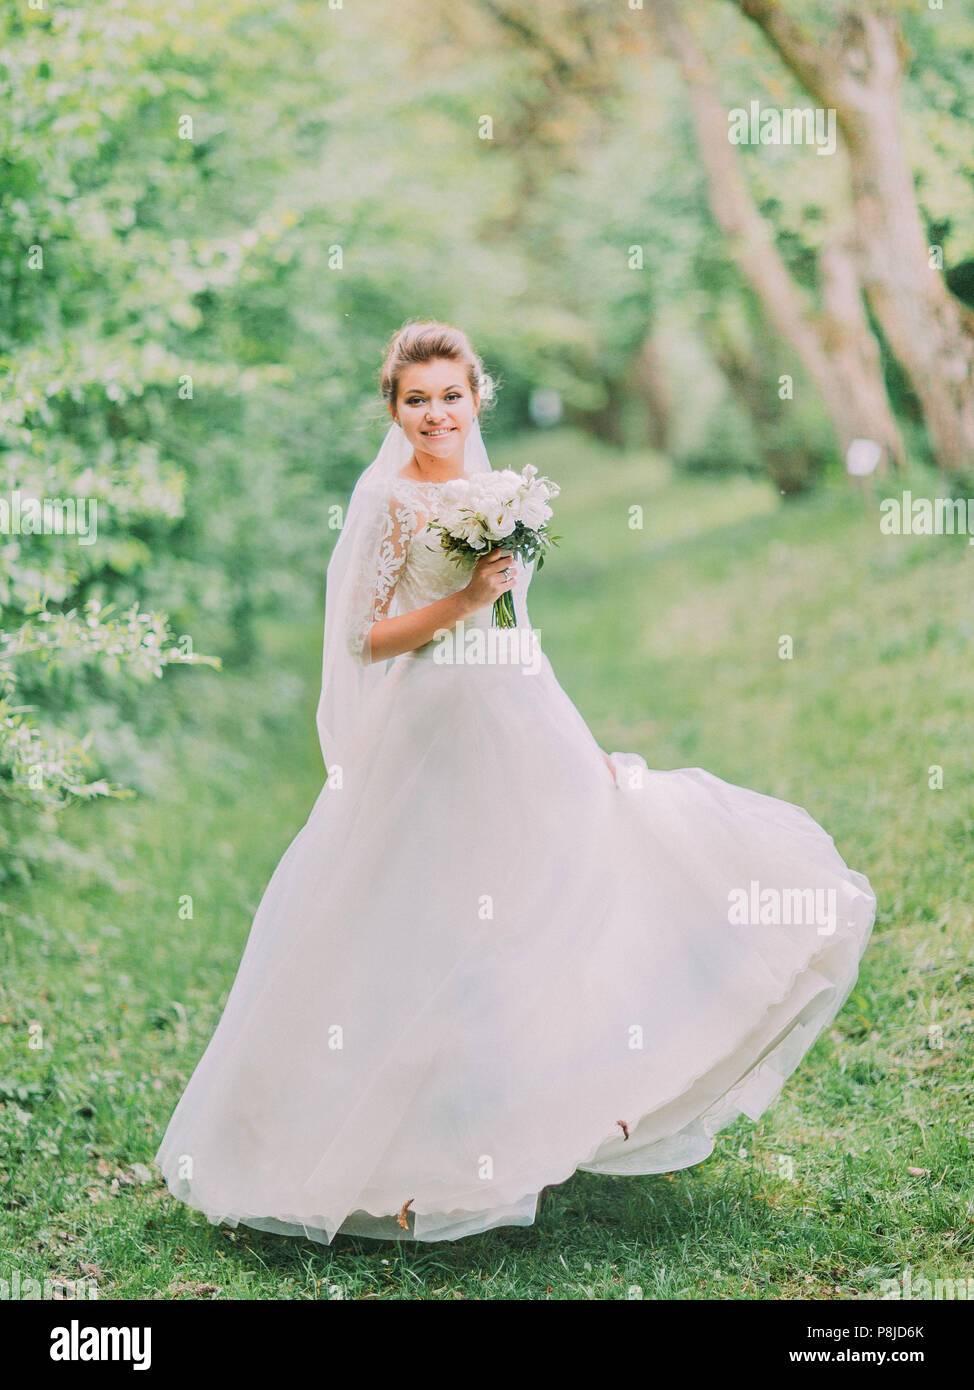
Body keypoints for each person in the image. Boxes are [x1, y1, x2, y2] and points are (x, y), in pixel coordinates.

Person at [154, 319, 876, 1244]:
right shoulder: (386, 498)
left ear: (475, 398)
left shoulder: (495, 491)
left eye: (450, 395)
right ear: (394, 408)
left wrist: (572, 733)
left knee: (567, 883)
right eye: (416, 399)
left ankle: (535, 1116)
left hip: (515, 708)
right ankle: (389, 1154)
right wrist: (460, 601)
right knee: (430, 920)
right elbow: (362, 638)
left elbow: (515, 632)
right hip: (431, 730)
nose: (435, 413)